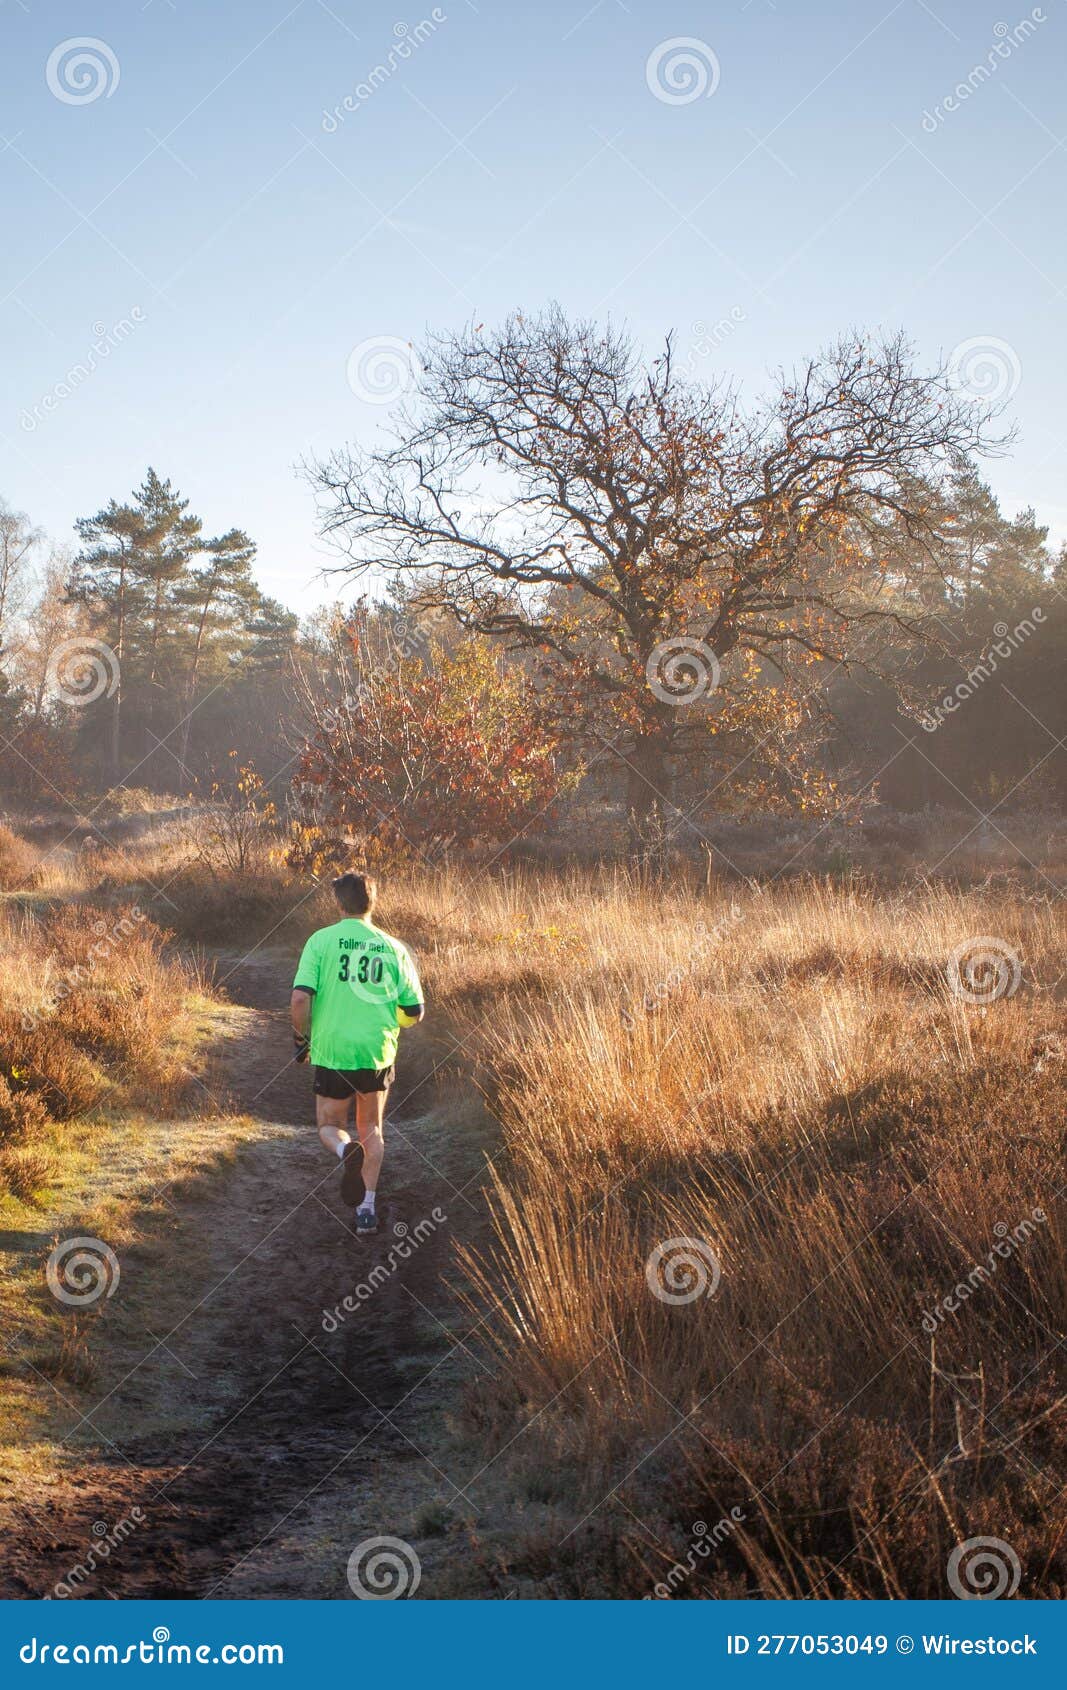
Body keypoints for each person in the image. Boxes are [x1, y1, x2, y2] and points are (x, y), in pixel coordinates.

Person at [290, 871, 424, 1236]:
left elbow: (301, 998)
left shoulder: (320, 941)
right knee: (372, 1129)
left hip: (332, 1049)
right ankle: (366, 1210)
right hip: (376, 1050)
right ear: (373, 902)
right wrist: (391, 1020)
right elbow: (413, 1012)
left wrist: (301, 1040)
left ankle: (342, 1151)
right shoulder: (394, 948)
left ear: (339, 902)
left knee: (330, 1125)